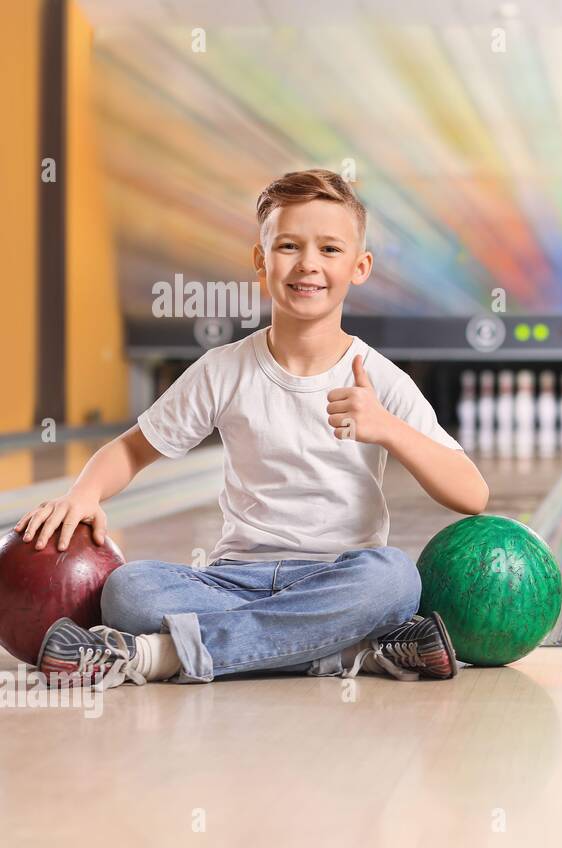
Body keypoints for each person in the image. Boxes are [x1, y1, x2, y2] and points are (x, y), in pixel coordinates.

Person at [16, 169, 489, 688]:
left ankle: (159, 657)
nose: (308, 264)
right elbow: (132, 450)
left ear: (360, 267)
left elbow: (471, 493)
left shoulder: (378, 378)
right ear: (261, 261)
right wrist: (84, 494)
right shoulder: (224, 369)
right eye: (289, 246)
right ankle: (346, 649)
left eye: (330, 249)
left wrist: (388, 429)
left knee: (394, 579)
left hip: (337, 576)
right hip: (231, 581)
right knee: (129, 590)